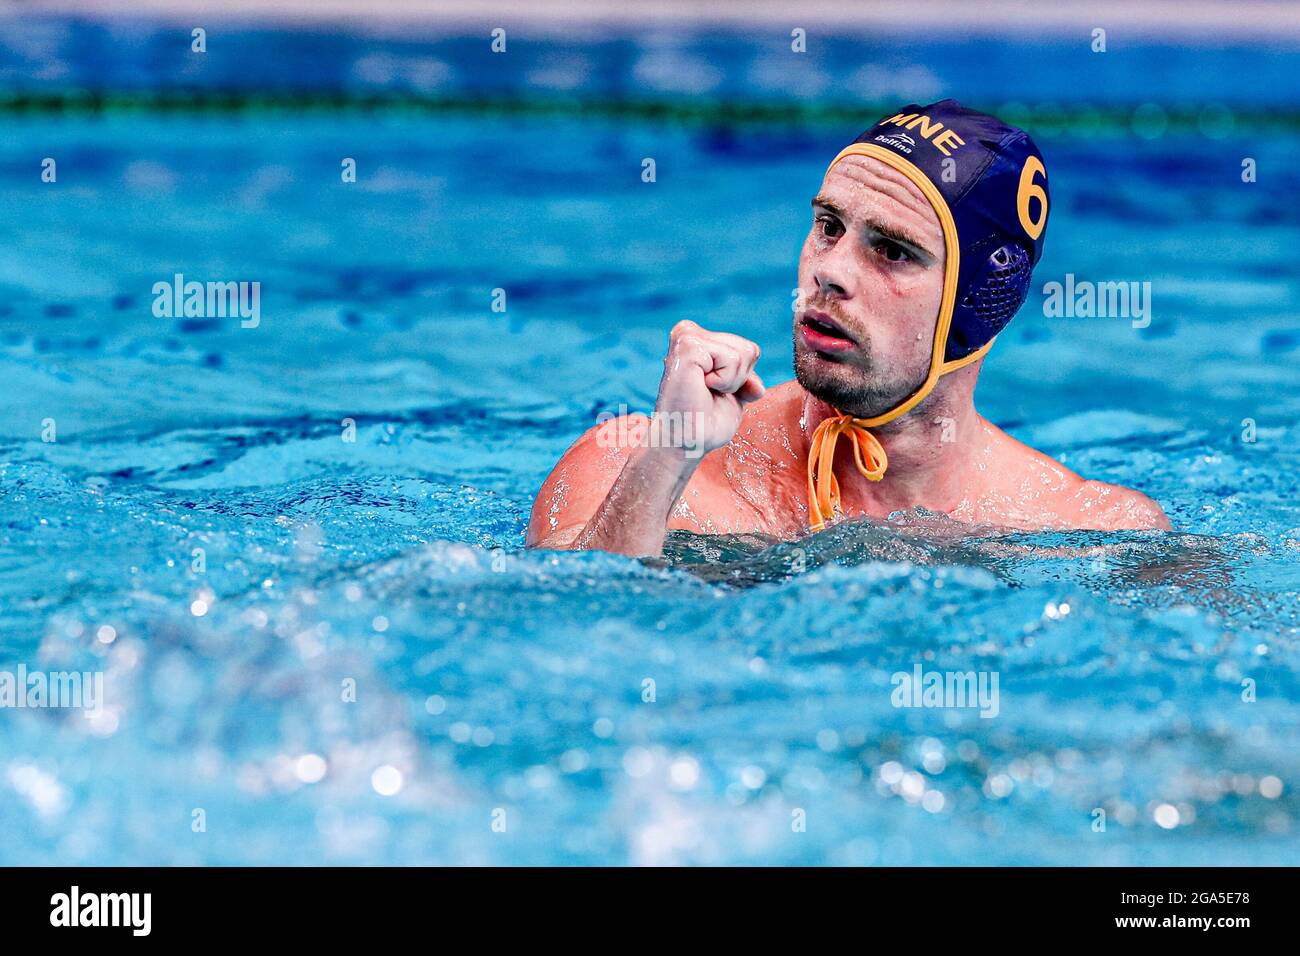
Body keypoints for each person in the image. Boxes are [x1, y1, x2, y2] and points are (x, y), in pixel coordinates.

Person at [528, 100, 1171, 556]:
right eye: (828, 225)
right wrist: (665, 460)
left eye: (891, 250)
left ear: (978, 303)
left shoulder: (1086, 532)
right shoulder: (640, 467)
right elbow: (561, 651)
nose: (829, 272)